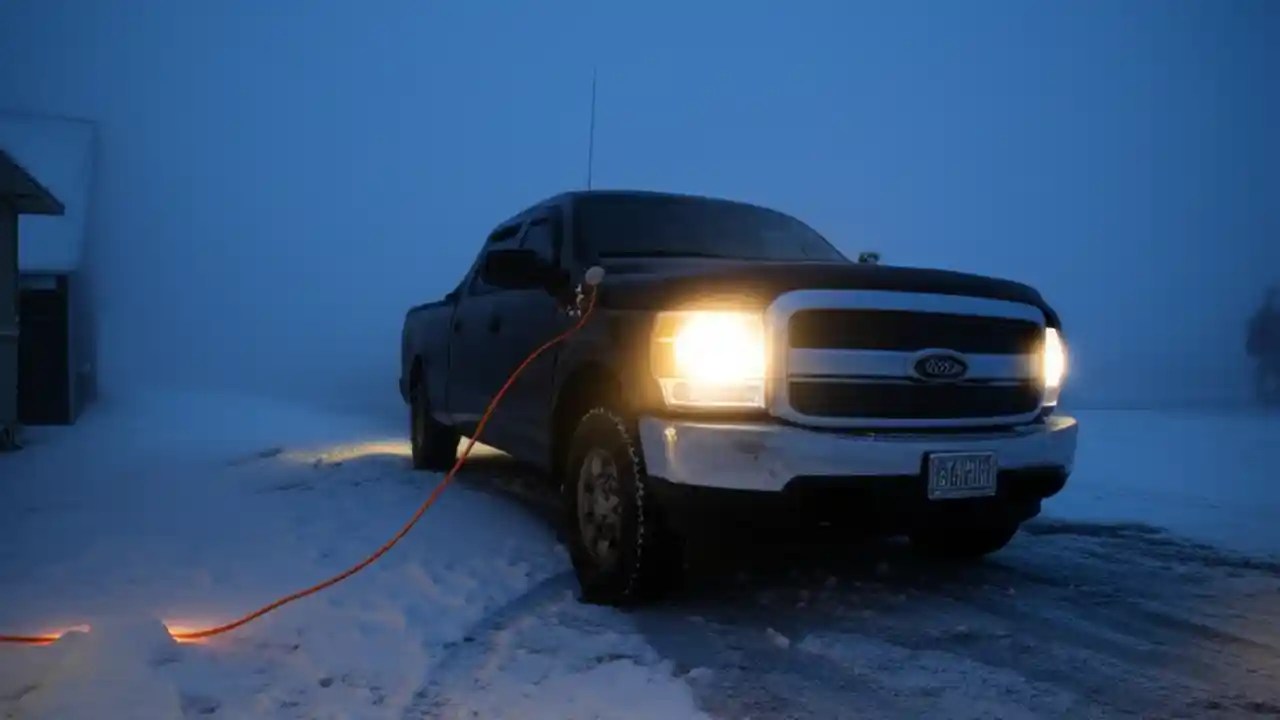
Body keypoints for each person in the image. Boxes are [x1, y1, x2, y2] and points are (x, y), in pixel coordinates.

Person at [1248, 285, 1280, 404]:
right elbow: (1254, 333)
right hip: (1268, 352)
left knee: (1267, 376)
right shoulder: (1263, 316)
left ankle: (1267, 399)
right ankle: (1266, 399)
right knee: (1265, 376)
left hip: (1269, 352)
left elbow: (1253, 333)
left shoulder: (1262, 315)